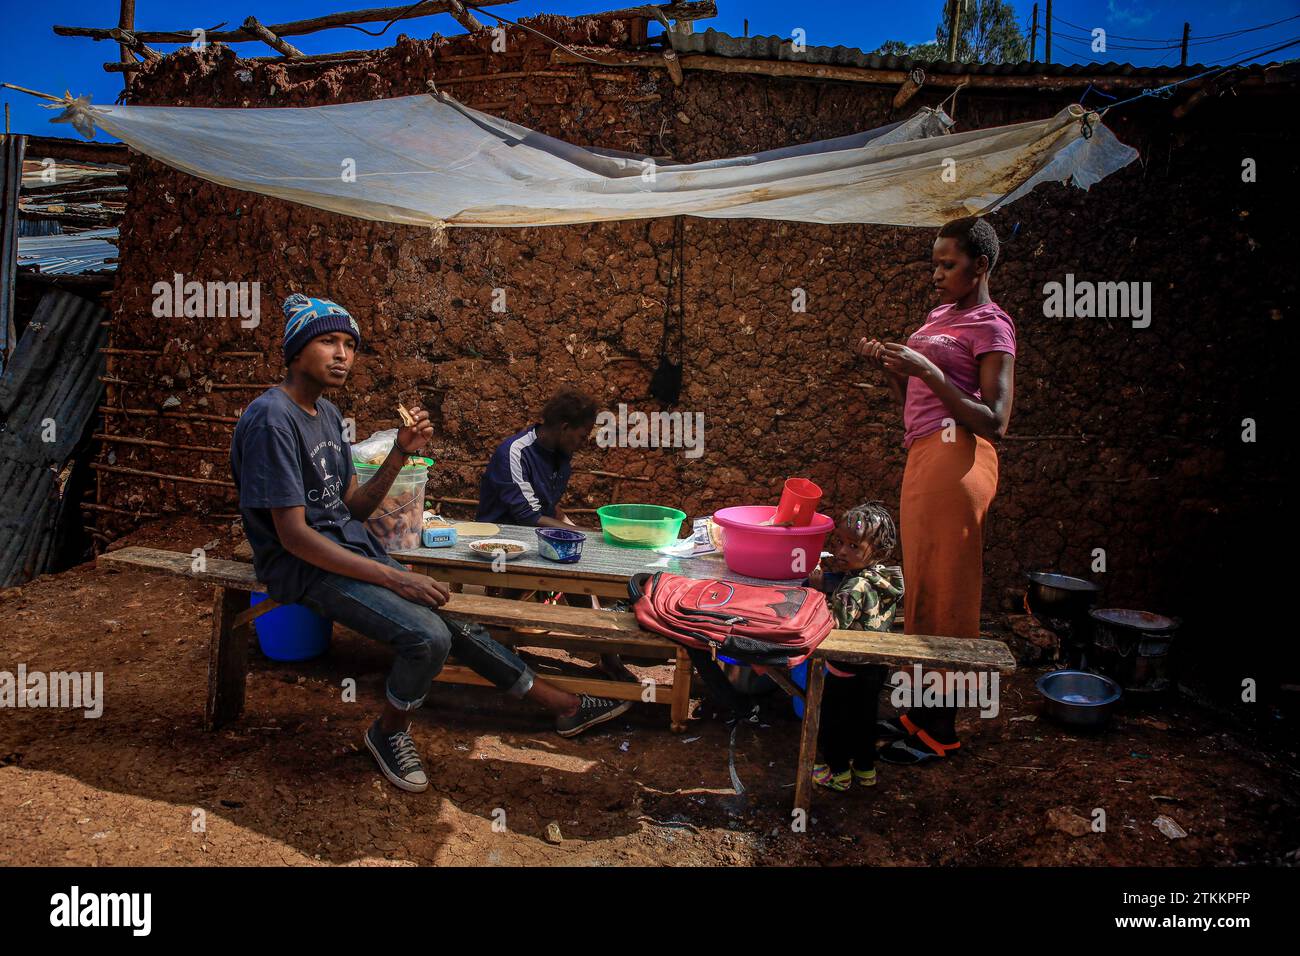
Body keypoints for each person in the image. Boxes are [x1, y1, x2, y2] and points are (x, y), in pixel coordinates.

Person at [230, 294, 632, 794]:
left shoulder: (328, 417)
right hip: (301, 566)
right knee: (429, 636)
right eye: (328, 341)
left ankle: (565, 707)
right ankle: (388, 732)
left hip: (347, 549)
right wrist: (396, 575)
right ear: (294, 352)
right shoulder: (272, 419)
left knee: (453, 617)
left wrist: (399, 453)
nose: (342, 354)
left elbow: (351, 508)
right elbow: (294, 536)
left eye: (350, 345)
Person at [856, 216, 1016, 765]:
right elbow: (918, 395)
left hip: (959, 459)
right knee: (921, 585)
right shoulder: (940, 315)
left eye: (949, 264)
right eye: (935, 264)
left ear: (982, 266)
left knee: (949, 592)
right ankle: (917, 710)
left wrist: (929, 367)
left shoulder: (993, 327)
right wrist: (894, 368)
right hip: (924, 453)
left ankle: (940, 729)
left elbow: (995, 419)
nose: (937, 274)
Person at [806, 502, 904, 791]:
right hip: (875, 666)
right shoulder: (887, 577)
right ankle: (865, 770)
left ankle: (837, 774)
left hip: (846, 668)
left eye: (854, 546)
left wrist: (815, 595)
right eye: (841, 542)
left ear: (879, 551)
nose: (842, 552)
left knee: (833, 722)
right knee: (864, 720)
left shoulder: (852, 589)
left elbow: (835, 624)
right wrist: (828, 584)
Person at [476, 388, 596, 530]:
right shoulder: (516, 453)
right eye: (582, 436)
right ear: (565, 428)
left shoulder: (560, 455)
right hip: (499, 538)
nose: (585, 443)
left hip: (534, 537)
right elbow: (529, 517)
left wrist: (572, 526)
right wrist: (585, 533)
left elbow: (546, 505)